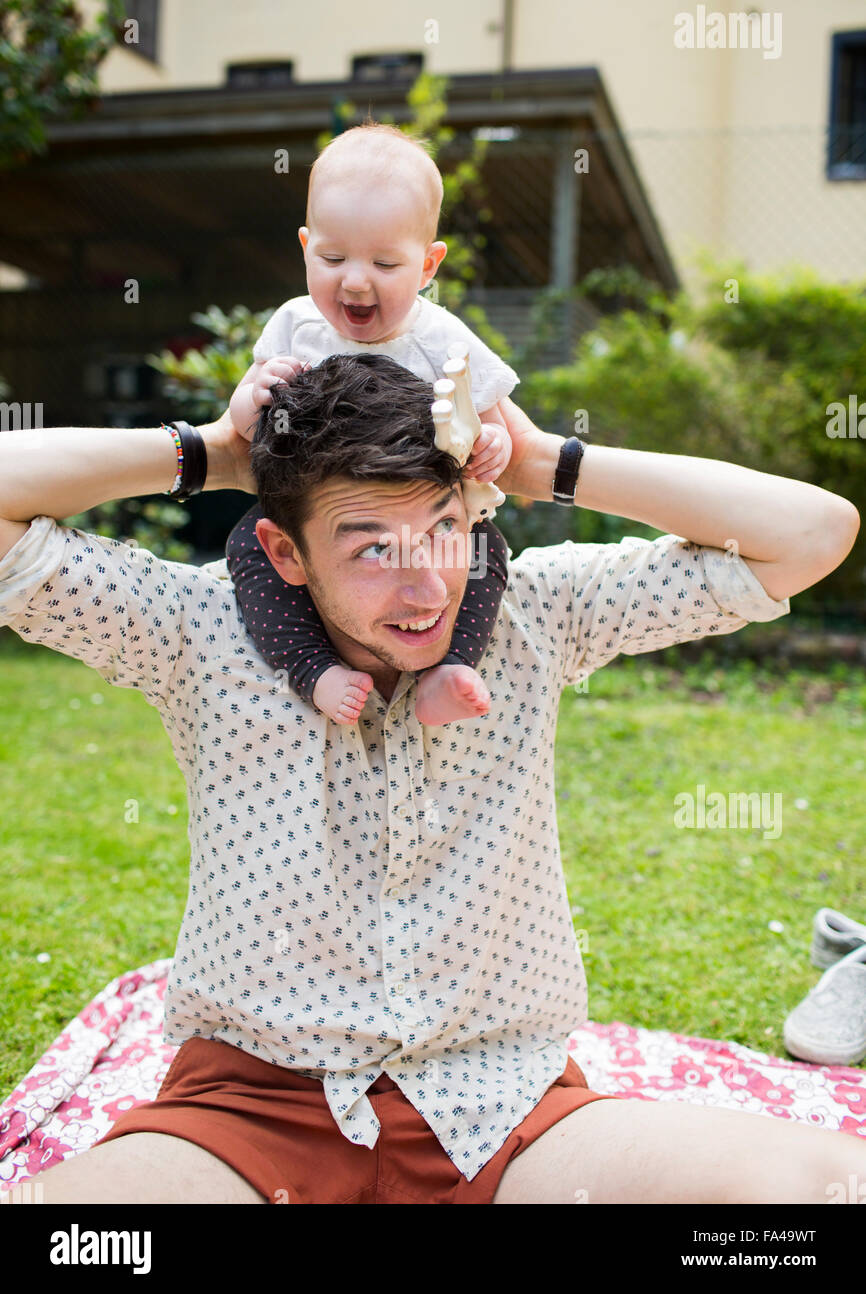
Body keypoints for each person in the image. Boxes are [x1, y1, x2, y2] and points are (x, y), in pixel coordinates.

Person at [0, 355, 863, 1205]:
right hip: (253, 1118)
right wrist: (217, 453)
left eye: (444, 529)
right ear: (284, 551)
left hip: (505, 1112)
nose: (426, 588)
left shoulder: (534, 614)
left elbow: (811, 533)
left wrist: (543, 464)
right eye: (373, 548)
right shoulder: (196, 629)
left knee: (821, 1192)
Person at [225, 121, 521, 728]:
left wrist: (491, 444)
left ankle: (449, 668)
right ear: (306, 247)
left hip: (430, 509)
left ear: (429, 263)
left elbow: (491, 423)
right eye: (332, 258)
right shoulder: (294, 324)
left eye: (386, 263)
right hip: (323, 518)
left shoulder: (443, 337)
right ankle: (312, 667)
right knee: (249, 550)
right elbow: (238, 418)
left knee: (488, 555)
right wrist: (255, 397)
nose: (355, 280)